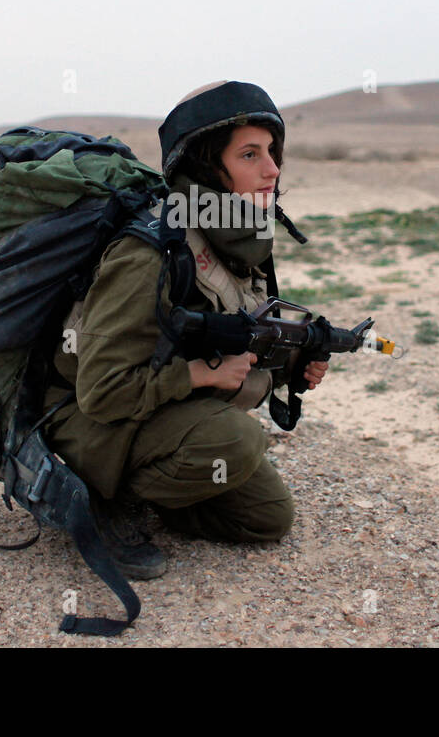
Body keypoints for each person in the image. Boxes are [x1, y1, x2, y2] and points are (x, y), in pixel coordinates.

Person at [40, 80, 329, 578]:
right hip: (84, 419)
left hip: (154, 410)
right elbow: (102, 391)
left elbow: (227, 332)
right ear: (205, 166)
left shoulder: (234, 241)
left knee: (266, 517)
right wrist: (199, 375)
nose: (272, 170)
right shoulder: (150, 251)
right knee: (234, 442)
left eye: (273, 152)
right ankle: (95, 494)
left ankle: (159, 479)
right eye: (249, 155)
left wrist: (292, 365)